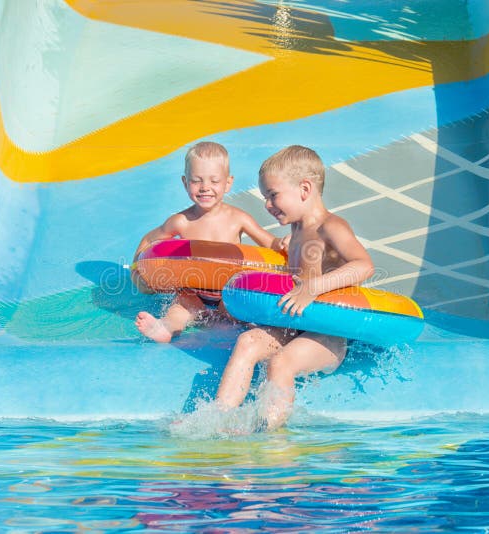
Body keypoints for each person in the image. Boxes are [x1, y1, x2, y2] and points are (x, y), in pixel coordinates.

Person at [214, 145, 374, 430]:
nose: (267, 204)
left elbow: (364, 265)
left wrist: (314, 287)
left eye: (273, 195)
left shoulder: (331, 226)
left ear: (304, 188)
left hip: (327, 335)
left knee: (280, 363)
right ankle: (219, 422)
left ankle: (270, 436)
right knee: (247, 343)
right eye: (265, 196)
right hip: (291, 325)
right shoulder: (296, 231)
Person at [133, 141, 286, 343]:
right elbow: (150, 240)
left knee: (235, 311)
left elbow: (270, 243)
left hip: (227, 291)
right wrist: (137, 269)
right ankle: (166, 328)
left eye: (214, 181)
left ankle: (232, 328)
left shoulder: (238, 218)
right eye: (197, 181)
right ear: (185, 182)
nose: (205, 188)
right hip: (193, 289)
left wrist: (284, 243)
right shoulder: (181, 221)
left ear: (228, 183)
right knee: (181, 307)